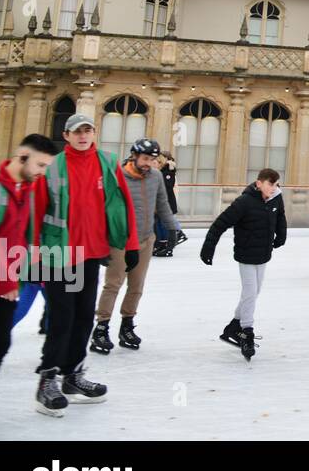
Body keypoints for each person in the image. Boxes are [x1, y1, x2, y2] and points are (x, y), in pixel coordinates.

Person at [35, 114, 140, 417]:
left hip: (90, 254)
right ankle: (47, 381)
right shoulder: (52, 166)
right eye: (76, 132)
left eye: (87, 130)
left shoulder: (107, 162)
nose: (82, 136)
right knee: (62, 318)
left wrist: (130, 245)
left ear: (94, 133)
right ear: (66, 136)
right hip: (58, 255)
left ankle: (72, 376)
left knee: (83, 317)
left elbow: (123, 204)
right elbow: (38, 209)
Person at [0, 134, 56, 438]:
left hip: (4, 284)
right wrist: (4, 281)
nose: (42, 172)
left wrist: (26, 273)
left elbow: (21, 238)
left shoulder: (25, 189)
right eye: (40, 164)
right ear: (22, 157)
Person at [91, 138, 179, 355]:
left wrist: (172, 228)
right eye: (146, 158)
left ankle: (127, 326)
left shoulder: (156, 176)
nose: (150, 163)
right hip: (120, 241)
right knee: (113, 284)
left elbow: (162, 203)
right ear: (134, 156)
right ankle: (101, 328)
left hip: (145, 239)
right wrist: (102, 240)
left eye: (153, 159)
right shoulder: (118, 178)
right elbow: (104, 209)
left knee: (136, 286)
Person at [200, 169, 287, 362]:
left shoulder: (276, 198)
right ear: (259, 184)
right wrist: (209, 246)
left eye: (275, 184)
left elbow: (280, 216)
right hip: (246, 255)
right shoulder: (244, 202)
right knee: (250, 292)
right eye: (270, 184)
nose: (273, 188)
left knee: (254, 292)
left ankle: (233, 326)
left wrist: (282, 235)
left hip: (264, 254)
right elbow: (220, 223)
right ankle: (246, 332)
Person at [151, 151, 183, 257]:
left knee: (166, 225)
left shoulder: (168, 171)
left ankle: (168, 247)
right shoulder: (162, 171)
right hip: (161, 203)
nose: (158, 161)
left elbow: (168, 186)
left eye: (160, 159)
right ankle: (162, 244)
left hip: (167, 203)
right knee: (159, 224)